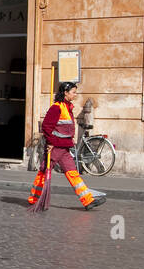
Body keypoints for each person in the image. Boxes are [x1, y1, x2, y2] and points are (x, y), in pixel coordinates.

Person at [28, 81, 106, 211]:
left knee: (73, 173)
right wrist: (51, 143)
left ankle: (87, 200)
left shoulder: (67, 107)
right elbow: (46, 127)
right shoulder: (57, 108)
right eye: (73, 92)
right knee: (43, 171)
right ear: (65, 92)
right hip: (56, 147)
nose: (75, 95)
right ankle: (34, 199)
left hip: (63, 147)